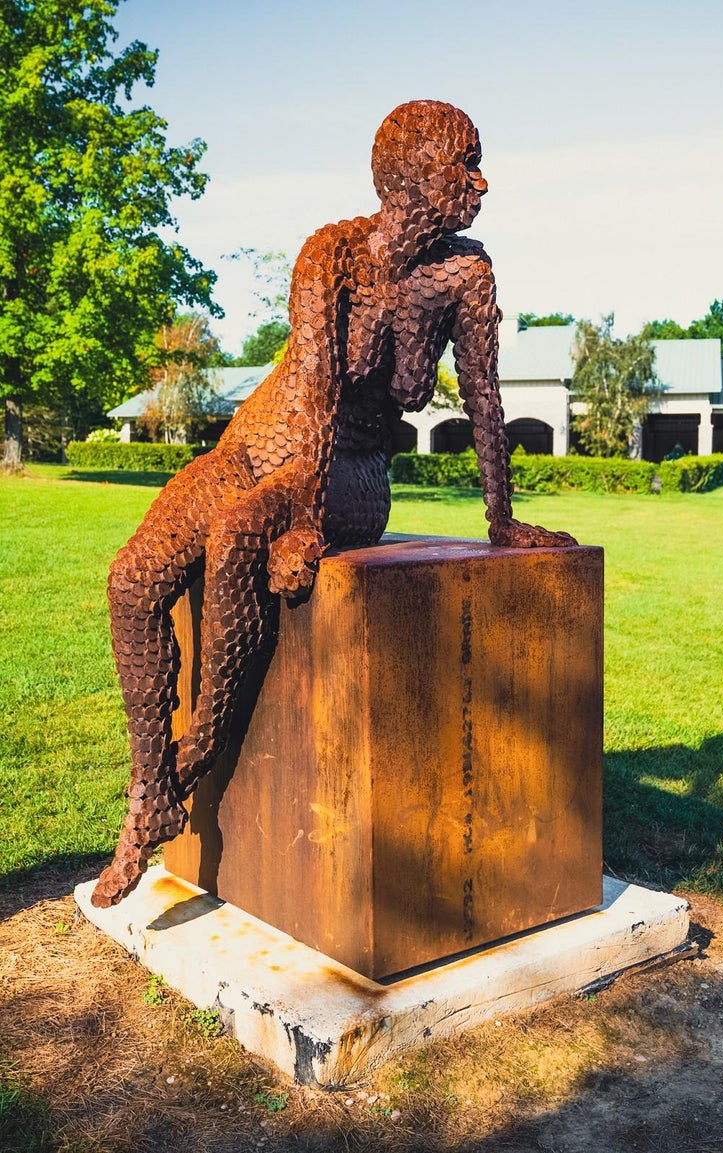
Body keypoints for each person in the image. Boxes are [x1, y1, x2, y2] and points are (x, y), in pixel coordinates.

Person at [92, 99, 576, 908]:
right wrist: (300, 514)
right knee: (131, 580)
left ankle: (200, 747)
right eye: (466, 165)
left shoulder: (464, 275)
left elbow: (485, 397)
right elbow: (312, 387)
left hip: (350, 472)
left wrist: (501, 520)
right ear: (412, 175)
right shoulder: (333, 253)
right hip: (253, 446)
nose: (482, 184)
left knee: (242, 531)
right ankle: (152, 788)